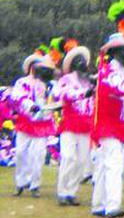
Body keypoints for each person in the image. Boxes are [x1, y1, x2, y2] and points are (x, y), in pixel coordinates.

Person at [91, 32, 124, 218]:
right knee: (113, 163)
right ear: (115, 52)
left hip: (119, 124)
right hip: (108, 122)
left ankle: (98, 204)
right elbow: (121, 87)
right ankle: (112, 205)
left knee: (106, 164)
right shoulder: (108, 71)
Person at [52, 45, 95, 206]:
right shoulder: (65, 80)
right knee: (69, 157)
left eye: (83, 60)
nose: (81, 63)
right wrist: (82, 94)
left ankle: (71, 191)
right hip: (70, 123)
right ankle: (62, 191)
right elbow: (62, 94)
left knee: (82, 160)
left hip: (86, 125)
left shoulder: (89, 81)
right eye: (77, 60)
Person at [10, 53, 58, 197]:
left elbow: (56, 98)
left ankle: (34, 185)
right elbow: (17, 96)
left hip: (42, 124)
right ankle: (20, 182)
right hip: (25, 122)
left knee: (38, 154)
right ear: (32, 67)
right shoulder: (22, 82)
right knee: (20, 152)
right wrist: (30, 105)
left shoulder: (49, 84)